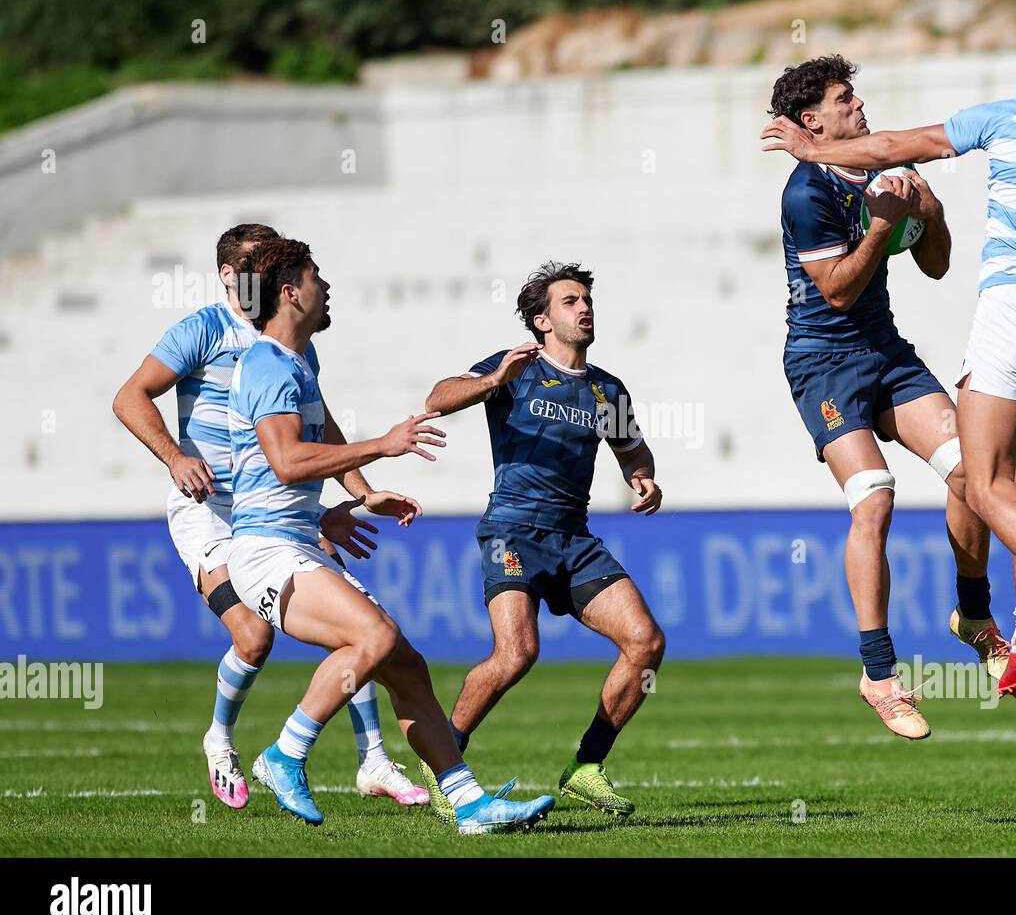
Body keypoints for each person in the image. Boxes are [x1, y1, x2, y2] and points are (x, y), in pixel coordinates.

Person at [762, 26, 1016, 695]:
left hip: (1014, 312)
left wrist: (824, 152)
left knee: (987, 483)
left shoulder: (1009, 114)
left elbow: (900, 146)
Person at [225, 237, 554, 832]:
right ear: (290, 292)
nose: (328, 287)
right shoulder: (268, 363)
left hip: (293, 541)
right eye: (316, 276)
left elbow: (318, 437)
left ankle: (471, 805)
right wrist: (384, 441)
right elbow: (287, 462)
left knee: (406, 665)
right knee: (373, 637)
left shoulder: (299, 362)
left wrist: (358, 493)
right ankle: (285, 754)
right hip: (263, 552)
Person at [112, 224, 430, 808]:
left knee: (357, 617)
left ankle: (373, 758)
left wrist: (358, 492)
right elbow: (129, 397)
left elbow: (318, 420)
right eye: (260, 263)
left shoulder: (292, 342)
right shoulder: (204, 330)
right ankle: (221, 738)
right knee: (254, 638)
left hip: (278, 507)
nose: (274, 273)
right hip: (209, 509)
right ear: (231, 276)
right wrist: (176, 457)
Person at [767, 56, 1008, 737]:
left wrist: (929, 213)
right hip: (823, 364)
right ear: (812, 120)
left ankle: (973, 612)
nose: (860, 104)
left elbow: (936, 265)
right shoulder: (805, 193)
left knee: (974, 472)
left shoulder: (886, 169)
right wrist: (882, 225)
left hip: (887, 354)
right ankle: (879, 674)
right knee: (874, 497)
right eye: (846, 99)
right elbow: (837, 290)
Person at [421, 261, 666, 820]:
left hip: (573, 538)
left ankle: (586, 766)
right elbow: (436, 398)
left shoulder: (606, 388)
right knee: (516, 654)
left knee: (646, 643)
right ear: (542, 319)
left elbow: (633, 450)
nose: (584, 308)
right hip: (512, 529)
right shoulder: (517, 370)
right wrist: (491, 382)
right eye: (570, 301)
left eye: (587, 300)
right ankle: (445, 765)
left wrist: (642, 477)